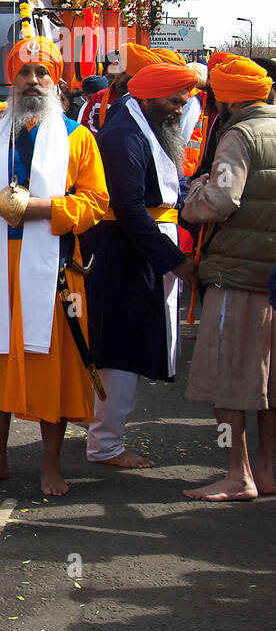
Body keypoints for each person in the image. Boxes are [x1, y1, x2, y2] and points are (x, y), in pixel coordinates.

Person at [0, 35, 109, 497]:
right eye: (23, 73)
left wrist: (38, 208)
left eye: (41, 73)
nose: (32, 80)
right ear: (11, 80)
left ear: (56, 81)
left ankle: (51, 464)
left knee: (49, 365)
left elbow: (96, 203)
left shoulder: (79, 138)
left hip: (55, 268)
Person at [84, 61, 199, 470]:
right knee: (123, 349)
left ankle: (105, 435)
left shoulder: (141, 124)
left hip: (142, 247)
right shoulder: (123, 134)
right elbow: (130, 210)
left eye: (185, 101)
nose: (179, 108)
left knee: (130, 344)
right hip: (127, 252)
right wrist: (174, 260)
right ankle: (106, 445)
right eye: (174, 100)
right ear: (148, 97)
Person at [180, 57, 276, 501]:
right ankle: (267, 469)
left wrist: (193, 193)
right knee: (269, 382)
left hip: (236, 274)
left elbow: (220, 200)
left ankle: (238, 474)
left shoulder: (240, 135)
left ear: (226, 98)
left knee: (229, 380)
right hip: (271, 277)